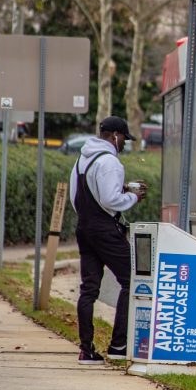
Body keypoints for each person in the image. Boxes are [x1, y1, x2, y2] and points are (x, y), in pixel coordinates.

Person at [69, 116, 146, 364]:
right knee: (131, 279)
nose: (124, 144)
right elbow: (110, 201)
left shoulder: (83, 158)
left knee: (89, 289)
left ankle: (86, 349)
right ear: (115, 135)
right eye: (124, 138)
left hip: (84, 226)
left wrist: (118, 190)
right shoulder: (111, 162)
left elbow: (76, 195)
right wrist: (133, 198)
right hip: (104, 229)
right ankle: (119, 344)